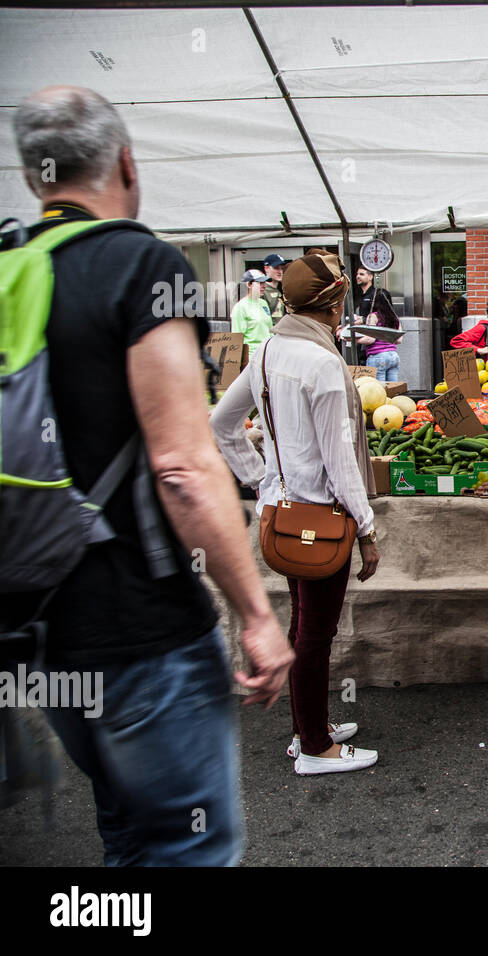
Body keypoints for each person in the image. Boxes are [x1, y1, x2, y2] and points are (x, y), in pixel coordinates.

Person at [1, 85, 293, 863]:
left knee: (127, 835)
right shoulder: (141, 264)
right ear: (127, 162)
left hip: (46, 632)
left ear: (36, 178)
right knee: (186, 849)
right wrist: (257, 615)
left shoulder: (7, 270)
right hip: (143, 629)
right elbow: (184, 467)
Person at [211, 249, 382, 776]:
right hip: (321, 521)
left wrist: (260, 476)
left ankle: (308, 727)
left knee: (303, 623)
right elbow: (339, 460)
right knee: (315, 633)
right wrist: (368, 529)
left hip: (280, 513)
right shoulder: (324, 364)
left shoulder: (266, 350)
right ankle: (314, 748)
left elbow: (222, 423)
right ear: (333, 306)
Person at [340, 265, 401, 380]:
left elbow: (370, 339)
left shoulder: (373, 316)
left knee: (378, 392)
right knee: (393, 390)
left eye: (361, 274)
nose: (357, 276)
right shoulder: (394, 318)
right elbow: (399, 339)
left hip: (377, 357)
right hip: (393, 356)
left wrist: (351, 339)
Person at [230, 268, 273, 354]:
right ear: (249, 284)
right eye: (260, 283)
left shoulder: (264, 303)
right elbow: (237, 339)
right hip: (252, 357)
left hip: (268, 354)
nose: (264, 285)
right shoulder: (240, 307)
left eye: (264, 282)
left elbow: (270, 330)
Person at [262, 253, 288, 323]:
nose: (280, 272)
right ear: (266, 268)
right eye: (276, 268)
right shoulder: (262, 291)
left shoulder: (280, 290)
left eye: (282, 268)